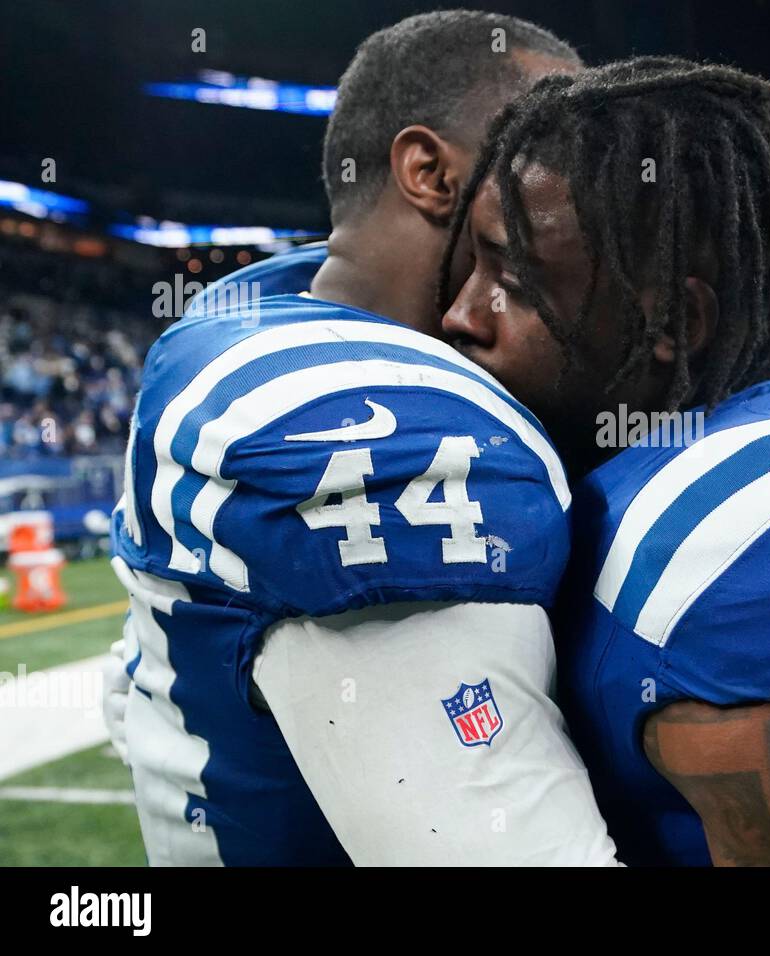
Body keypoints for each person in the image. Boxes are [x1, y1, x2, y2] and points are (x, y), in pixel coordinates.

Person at [108, 10, 621, 866]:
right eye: (548, 151)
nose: (586, 195)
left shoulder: (259, 319)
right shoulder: (370, 430)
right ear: (430, 173)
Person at [439, 57, 770, 865]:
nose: (461, 315)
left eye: (514, 280)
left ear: (672, 322)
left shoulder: (755, 523)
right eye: (471, 265)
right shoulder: (599, 472)